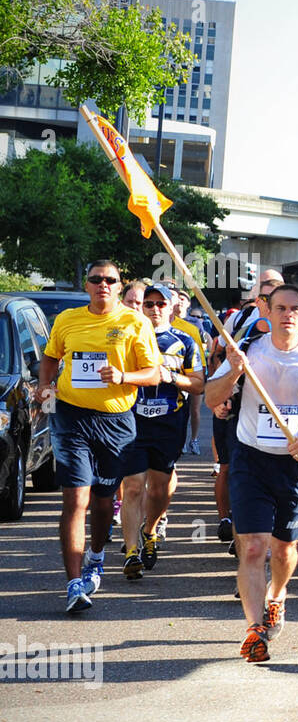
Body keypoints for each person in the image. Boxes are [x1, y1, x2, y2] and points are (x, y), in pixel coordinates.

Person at [206, 284, 298, 661]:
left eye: (296, 308)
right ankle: (255, 630)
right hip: (251, 459)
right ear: (267, 313)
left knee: (284, 546)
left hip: (297, 464)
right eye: (281, 308)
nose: (288, 314)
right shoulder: (249, 353)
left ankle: (277, 595)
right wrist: (233, 372)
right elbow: (211, 398)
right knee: (254, 545)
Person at [37, 261, 162, 613]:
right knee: (76, 499)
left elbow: (153, 374)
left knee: (104, 502)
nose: (102, 285)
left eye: (110, 280)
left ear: (119, 286)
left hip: (115, 421)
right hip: (71, 417)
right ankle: (74, 583)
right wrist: (46, 390)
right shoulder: (67, 319)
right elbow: (50, 359)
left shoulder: (134, 322)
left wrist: (123, 376)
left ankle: (96, 555)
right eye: (96, 280)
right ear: (86, 285)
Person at [119, 285, 205, 578]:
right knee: (132, 485)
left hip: (169, 421)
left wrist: (172, 377)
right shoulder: (129, 338)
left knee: (158, 489)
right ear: (141, 307)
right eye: (149, 304)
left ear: (171, 307)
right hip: (133, 420)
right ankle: (131, 552)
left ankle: (149, 530)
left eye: (160, 304)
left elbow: (198, 384)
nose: (154, 309)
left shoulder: (185, 341)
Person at [211, 274, 279, 544]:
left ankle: (268, 535)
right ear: (257, 300)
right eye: (265, 298)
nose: (270, 304)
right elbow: (221, 360)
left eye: (278, 299)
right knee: (233, 469)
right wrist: (222, 397)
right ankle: (231, 523)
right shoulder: (241, 323)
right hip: (242, 412)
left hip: (281, 417)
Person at [170, 288, 208, 455]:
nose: (179, 302)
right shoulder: (148, 324)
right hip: (169, 380)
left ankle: (193, 439)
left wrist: (202, 378)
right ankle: (181, 441)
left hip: (189, 377)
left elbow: (200, 356)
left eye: (182, 299)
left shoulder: (192, 327)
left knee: (194, 409)